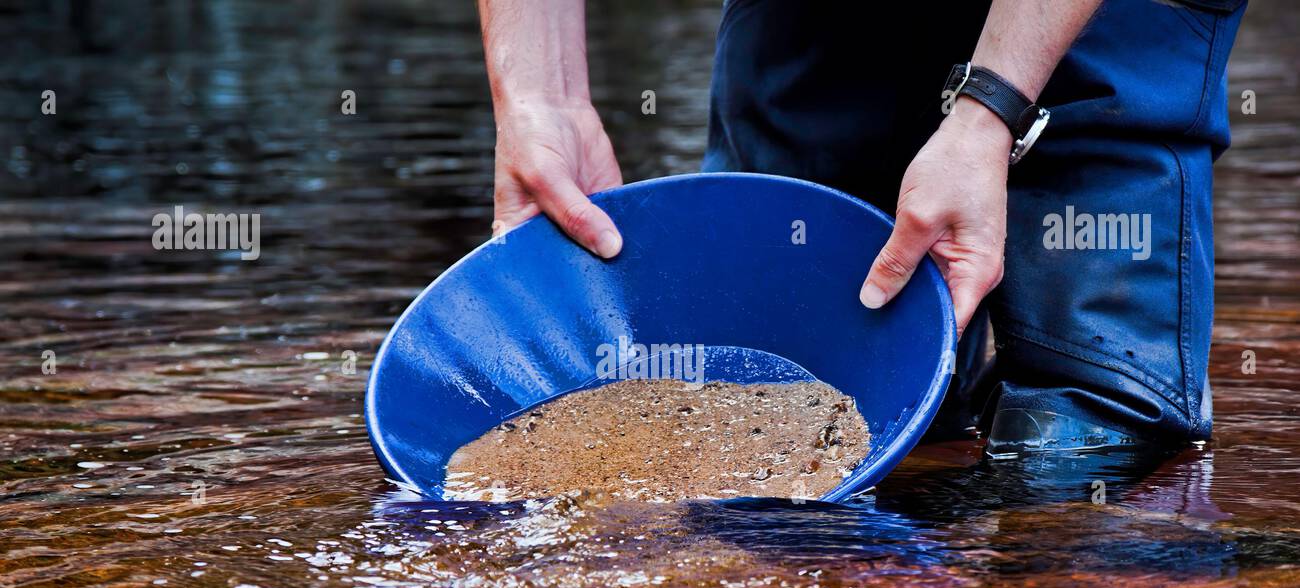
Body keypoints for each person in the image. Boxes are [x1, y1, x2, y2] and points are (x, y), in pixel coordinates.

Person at [476, 0, 1246, 457]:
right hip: (816, 21)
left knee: (1075, 450)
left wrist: (990, 115)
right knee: (776, 405)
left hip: (1110, 27)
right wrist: (542, 98)